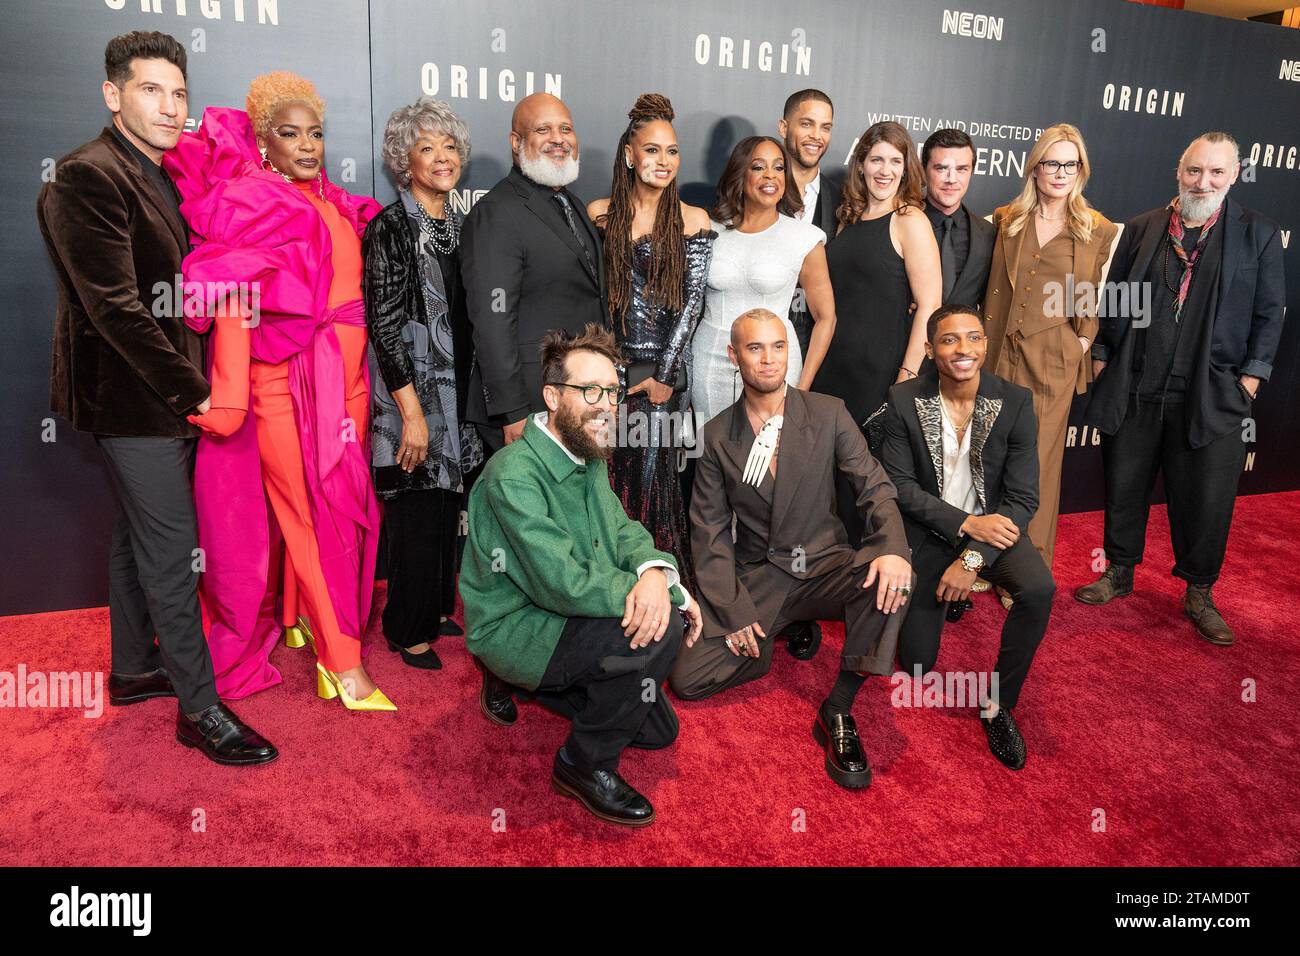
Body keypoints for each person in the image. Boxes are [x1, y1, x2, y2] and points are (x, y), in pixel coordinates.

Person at [37, 31, 275, 763]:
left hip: (166, 395)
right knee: (174, 551)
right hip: (133, 399)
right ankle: (200, 711)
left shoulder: (167, 175)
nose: (171, 108)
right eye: (151, 91)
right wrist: (196, 394)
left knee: (135, 533)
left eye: (179, 93)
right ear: (113, 95)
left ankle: (135, 668)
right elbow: (113, 310)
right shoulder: (85, 176)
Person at [166, 72, 391, 710]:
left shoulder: (331, 202)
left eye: (315, 132)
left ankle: (297, 618)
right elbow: (232, 295)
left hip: (344, 382)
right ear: (264, 142)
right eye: (289, 134)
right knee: (312, 514)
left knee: (342, 506)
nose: (307, 144)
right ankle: (342, 664)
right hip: (285, 387)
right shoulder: (252, 199)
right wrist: (228, 394)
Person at [460, 325, 703, 827]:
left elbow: (622, 530)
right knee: (664, 631)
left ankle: (528, 688)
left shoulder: (583, 451)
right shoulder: (513, 474)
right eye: (590, 391)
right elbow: (561, 582)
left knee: (659, 731)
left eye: (612, 391)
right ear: (552, 396)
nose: (606, 405)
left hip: (564, 612)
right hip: (517, 623)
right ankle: (581, 765)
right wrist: (664, 596)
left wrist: (658, 573)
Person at [671, 309, 914, 790]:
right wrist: (737, 611)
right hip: (764, 573)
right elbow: (710, 533)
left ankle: (838, 708)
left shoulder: (827, 412)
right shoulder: (718, 436)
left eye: (777, 346)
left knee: (896, 578)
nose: (768, 359)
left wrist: (891, 547)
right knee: (687, 677)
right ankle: (775, 631)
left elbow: (874, 488)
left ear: (790, 350)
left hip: (826, 564)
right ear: (733, 355)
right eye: (755, 348)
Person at [1077, 132, 1286, 646]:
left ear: (1234, 176)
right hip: (1138, 385)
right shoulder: (1146, 228)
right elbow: (1118, 297)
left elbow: (1269, 311)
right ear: (1179, 170)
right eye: (1195, 171)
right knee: (1124, 483)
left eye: (1216, 172)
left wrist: (1251, 379)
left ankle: (1199, 591)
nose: (1203, 181)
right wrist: (1103, 358)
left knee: (1207, 498)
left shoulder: (1256, 233)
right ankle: (1118, 572)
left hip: (1212, 393)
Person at [880, 305, 1053, 770]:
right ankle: (946, 600)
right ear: (931, 349)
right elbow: (899, 487)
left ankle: (999, 704)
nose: (963, 350)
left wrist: (973, 559)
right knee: (917, 666)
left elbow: (1022, 498)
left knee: (1038, 590)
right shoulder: (902, 400)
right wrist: (963, 524)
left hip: (993, 532)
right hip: (932, 529)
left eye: (973, 338)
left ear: (984, 343)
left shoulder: (1014, 401)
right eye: (951, 340)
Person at [365, 97, 484, 670]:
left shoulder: (458, 226)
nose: (442, 158)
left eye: (450, 147)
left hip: (455, 395)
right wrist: (411, 413)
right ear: (403, 161)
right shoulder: (390, 227)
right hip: (411, 396)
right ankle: (405, 627)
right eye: (426, 148)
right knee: (414, 510)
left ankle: (437, 608)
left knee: (444, 507)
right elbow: (384, 325)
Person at [982, 124, 1120, 594]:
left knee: (1036, 465)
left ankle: (1024, 569)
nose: (1061, 173)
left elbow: (1098, 294)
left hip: (1053, 359)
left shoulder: (1096, 227)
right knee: (988, 456)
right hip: (999, 354)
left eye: (1070, 164)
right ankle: (981, 559)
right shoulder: (1005, 218)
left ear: (1080, 170)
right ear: (1034, 167)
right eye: (1052, 162)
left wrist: (1081, 343)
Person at [587, 94, 714, 595]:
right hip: (609, 373)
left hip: (663, 376)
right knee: (606, 478)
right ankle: (609, 590)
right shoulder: (600, 214)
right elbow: (596, 301)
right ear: (629, 155)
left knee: (653, 482)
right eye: (652, 150)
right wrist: (610, 374)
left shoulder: (694, 220)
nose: (663, 161)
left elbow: (691, 307)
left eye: (673, 152)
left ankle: (663, 592)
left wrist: (663, 377)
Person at [812, 121, 942, 545]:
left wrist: (906, 374)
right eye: (876, 160)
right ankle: (831, 565)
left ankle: (873, 567)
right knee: (831, 473)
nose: (885, 170)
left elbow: (929, 305)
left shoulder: (910, 220)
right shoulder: (848, 220)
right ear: (861, 165)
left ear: (907, 169)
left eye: (895, 161)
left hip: (881, 370)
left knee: (869, 475)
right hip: (836, 365)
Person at [459, 92, 607, 450]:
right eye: (543, 129)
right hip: (530, 403)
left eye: (566, 128)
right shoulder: (497, 211)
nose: (559, 138)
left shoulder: (569, 202)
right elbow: (493, 320)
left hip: (575, 395)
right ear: (516, 142)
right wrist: (511, 411)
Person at [689, 136, 836, 425]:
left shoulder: (804, 239)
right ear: (740, 173)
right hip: (709, 361)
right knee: (713, 456)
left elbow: (826, 318)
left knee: (769, 460)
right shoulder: (708, 228)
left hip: (775, 366)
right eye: (758, 167)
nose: (770, 175)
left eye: (779, 167)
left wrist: (802, 388)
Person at [778, 88, 843, 357]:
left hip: (817, 349)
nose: (817, 136)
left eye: (825, 127)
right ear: (784, 127)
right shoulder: (753, 192)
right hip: (755, 344)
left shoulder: (844, 204)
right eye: (807, 124)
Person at [922, 128, 995, 309]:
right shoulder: (900, 222)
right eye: (941, 168)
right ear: (924, 170)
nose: (951, 179)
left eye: (962, 169)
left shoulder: (988, 233)